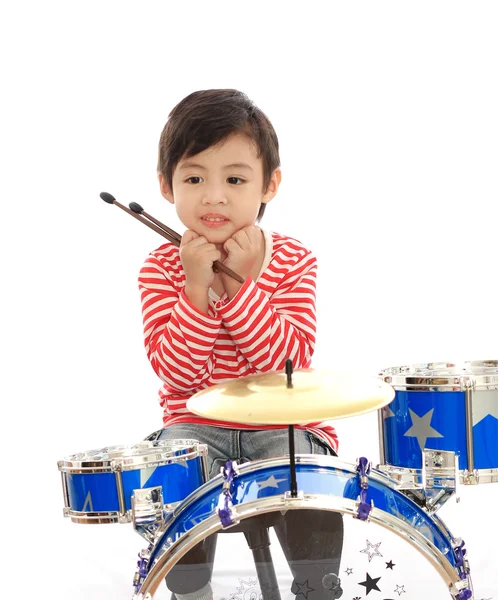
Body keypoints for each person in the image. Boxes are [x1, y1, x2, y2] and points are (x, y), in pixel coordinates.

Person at [139, 89, 343, 600]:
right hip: (195, 427)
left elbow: (288, 367)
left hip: (284, 425)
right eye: (193, 178)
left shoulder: (293, 260)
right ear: (165, 186)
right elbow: (178, 375)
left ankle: (318, 590)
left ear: (269, 184)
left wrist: (240, 289)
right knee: (166, 473)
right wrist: (195, 288)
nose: (214, 196)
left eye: (234, 179)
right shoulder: (161, 269)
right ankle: (191, 592)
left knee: (306, 473)